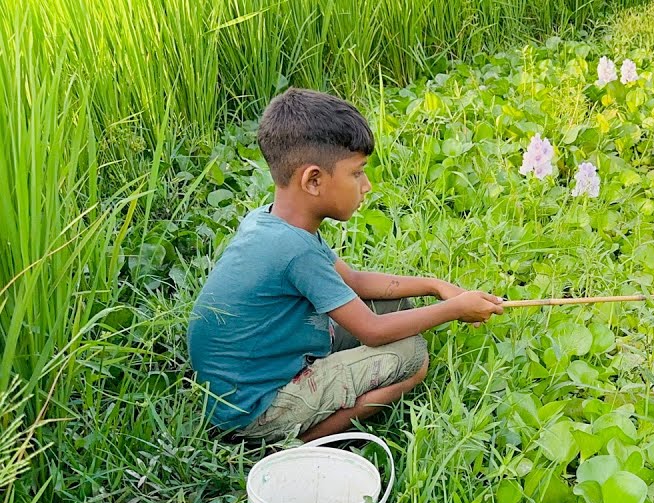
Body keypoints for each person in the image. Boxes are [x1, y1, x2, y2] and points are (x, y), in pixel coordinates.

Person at [187, 88, 504, 442]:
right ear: (314, 180)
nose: (366, 185)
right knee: (412, 356)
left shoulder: (271, 221)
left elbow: (352, 280)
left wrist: (434, 286)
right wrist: (455, 308)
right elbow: (372, 331)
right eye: (357, 174)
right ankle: (298, 447)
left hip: (241, 381)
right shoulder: (294, 250)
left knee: (397, 307)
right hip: (257, 408)